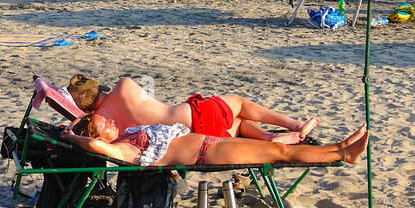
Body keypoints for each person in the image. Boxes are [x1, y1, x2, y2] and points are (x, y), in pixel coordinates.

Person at [66, 74, 318, 143]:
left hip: (194, 138)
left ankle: (271, 138)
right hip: (191, 115)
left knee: (238, 124)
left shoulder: (100, 122)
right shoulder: (123, 86)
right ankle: (295, 125)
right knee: (240, 104)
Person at [61, 113, 368, 168]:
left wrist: (79, 125)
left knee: (280, 149)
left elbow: (89, 133)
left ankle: (341, 148)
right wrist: (75, 136)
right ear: (100, 137)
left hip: (211, 142)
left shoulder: (125, 135)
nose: (112, 122)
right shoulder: (121, 149)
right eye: (106, 125)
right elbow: (93, 145)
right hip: (208, 154)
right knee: (279, 152)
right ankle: (343, 154)